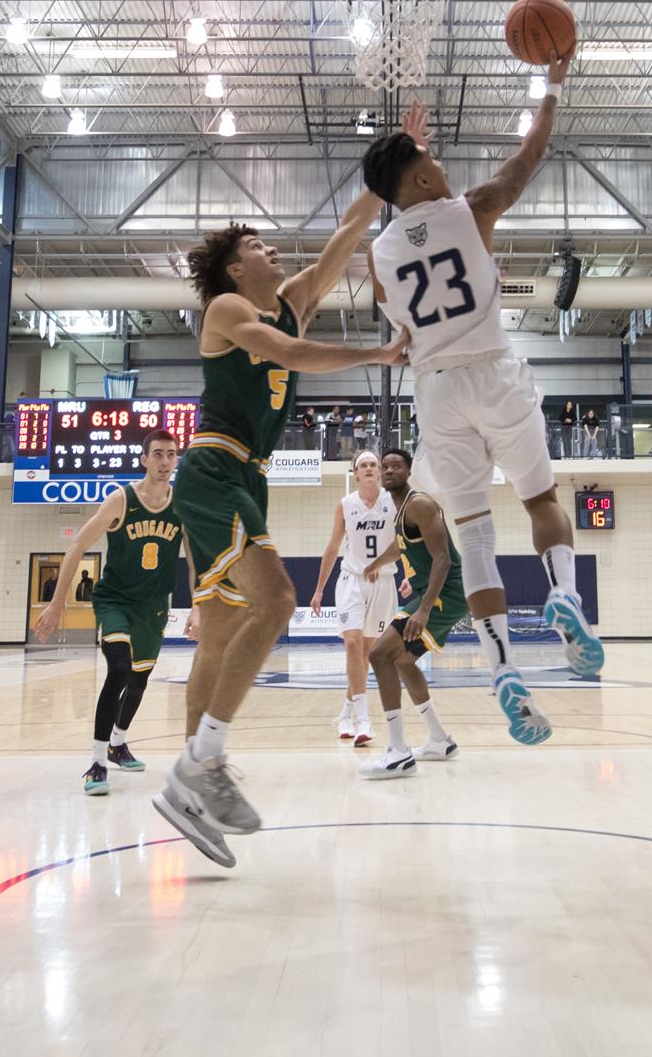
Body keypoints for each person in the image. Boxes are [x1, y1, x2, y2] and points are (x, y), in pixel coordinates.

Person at [151, 196, 406, 870]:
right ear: (236, 269)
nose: (273, 250)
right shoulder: (227, 310)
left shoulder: (290, 296)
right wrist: (377, 351)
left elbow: (343, 241)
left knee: (223, 627)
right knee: (279, 602)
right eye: (259, 246)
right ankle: (202, 764)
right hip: (214, 466)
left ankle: (191, 782)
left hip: (245, 475)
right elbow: (288, 351)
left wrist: (383, 179)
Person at [360, 80, 605, 747]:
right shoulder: (472, 209)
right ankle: (565, 596)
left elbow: (400, 312)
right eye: (431, 161)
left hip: (436, 390)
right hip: (493, 366)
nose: (442, 167)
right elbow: (524, 161)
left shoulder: (378, 258)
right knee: (540, 499)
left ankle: (501, 668)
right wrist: (551, 95)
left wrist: (402, 170)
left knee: (474, 538)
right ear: (419, 172)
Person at [34, 429, 183, 796]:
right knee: (118, 669)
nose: (165, 461)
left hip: (153, 605)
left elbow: (194, 556)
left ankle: (119, 743)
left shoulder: (182, 503)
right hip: (115, 600)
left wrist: (197, 606)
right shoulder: (120, 500)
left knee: (139, 680)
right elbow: (77, 546)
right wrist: (56, 603)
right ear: (144, 459)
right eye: (158, 454)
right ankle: (97, 763)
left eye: (171, 454)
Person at [356, 448, 466, 778]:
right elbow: (400, 546)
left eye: (396, 466)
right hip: (427, 592)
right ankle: (439, 740)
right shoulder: (402, 509)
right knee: (403, 661)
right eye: (384, 465)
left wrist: (424, 610)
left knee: (378, 655)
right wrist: (376, 563)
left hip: (445, 593)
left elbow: (443, 559)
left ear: (408, 471)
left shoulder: (420, 503)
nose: (388, 470)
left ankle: (399, 753)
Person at [308, 451, 409, 745]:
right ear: (355, 474)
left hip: (385, 581)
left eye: (373, 465)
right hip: (352, 580)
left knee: (367, 654)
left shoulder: (394, 503)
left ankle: (346, 711)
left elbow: (407, 542)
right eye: (362, 465)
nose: (368, 468)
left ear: (380, 472)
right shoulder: (345, 505)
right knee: (352, 644)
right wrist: (318, 589)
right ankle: (364, 719)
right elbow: (332, 548)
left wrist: (410, 576)